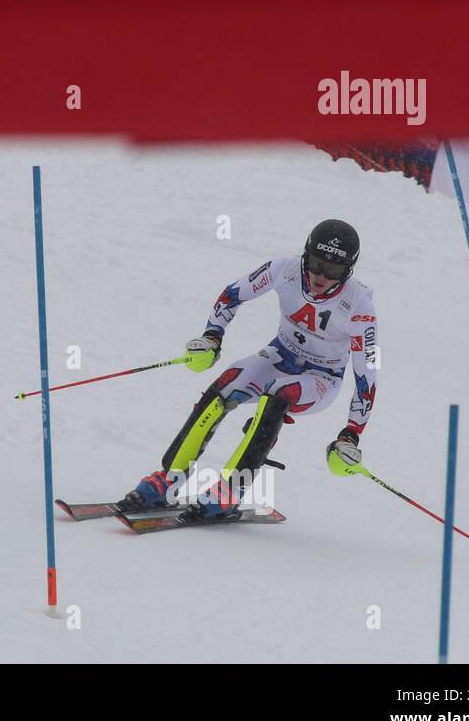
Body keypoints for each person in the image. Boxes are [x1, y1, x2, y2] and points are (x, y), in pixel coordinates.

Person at [121, 220, 377, 519]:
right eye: (317, 264)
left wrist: (350, 435)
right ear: (306, 255)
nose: (320, 276)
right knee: (226, 383)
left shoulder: (359, 305)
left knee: (279, 394)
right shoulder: (286, 269)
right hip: (279, 355)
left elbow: (366, 377)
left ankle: (231, 491)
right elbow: (232, 295)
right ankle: (170, 477)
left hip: (321, 378)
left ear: (347, 271)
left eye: (332, 271)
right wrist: (212, 336)